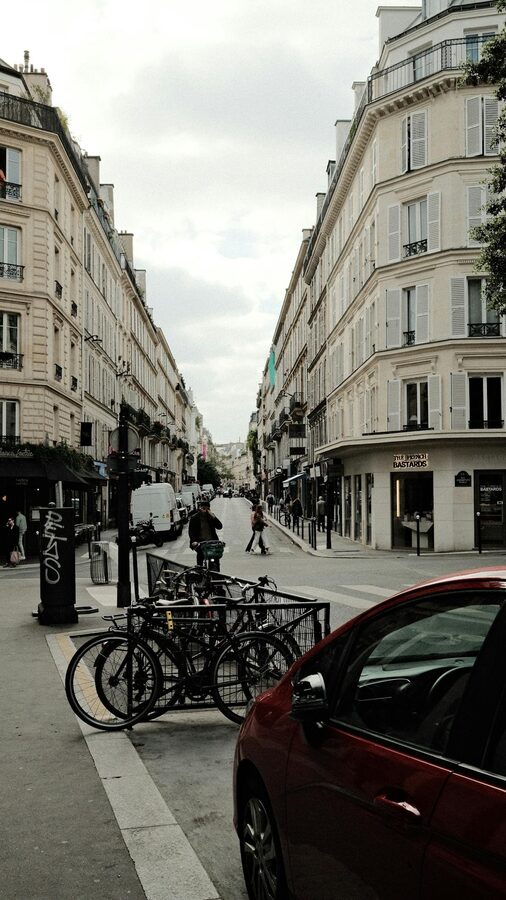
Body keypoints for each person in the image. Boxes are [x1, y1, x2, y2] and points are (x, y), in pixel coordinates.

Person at [188, 498, 223, 570]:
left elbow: (220, 526)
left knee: (215, 558)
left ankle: (217, 575)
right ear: (200, 508)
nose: (205, 510)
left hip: (212, 542)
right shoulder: (195, 518)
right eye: (203, 508)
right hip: (200, 542)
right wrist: (194, 541)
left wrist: (214, 517)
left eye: (207, 509)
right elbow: (191, 532)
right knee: (200, 556)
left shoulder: (211, 517)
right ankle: (200, 571)